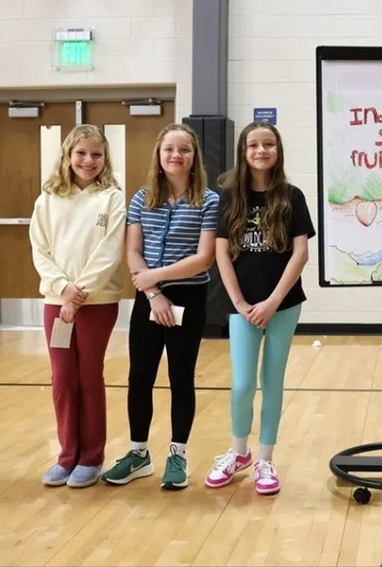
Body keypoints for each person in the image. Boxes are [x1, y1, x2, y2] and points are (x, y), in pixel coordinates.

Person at [100, 123, 219, 490]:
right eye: (169, 149)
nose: (176, 156)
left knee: (181, 379)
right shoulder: (141, 198)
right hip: (148, 298)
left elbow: (204, 258)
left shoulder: (209, 200)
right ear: (159, 153)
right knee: (140, 377)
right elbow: (133, 251)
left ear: (194, 156)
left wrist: (157, 278)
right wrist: (153, 292)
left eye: (184, 149)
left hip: (188, 299)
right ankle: (138, 454)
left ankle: (178, 455)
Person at [203, 121, 314, 496]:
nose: (261, 150)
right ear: (243, 151)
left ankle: (265, 458)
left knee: (272, 382)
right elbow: (221, 252)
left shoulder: (292, 196)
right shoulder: (228, 197)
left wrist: (273, 301)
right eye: (254, 144)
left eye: (269, 144)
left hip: (282, 305)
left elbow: (300, 252)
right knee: (242, 384)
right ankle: (239, 453)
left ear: (278, 150)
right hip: (243, 307)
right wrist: (240, 303)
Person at [29, 124, 127, 488]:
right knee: (62, 379)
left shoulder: (113, 199)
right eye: (81, 153)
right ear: (68, 156)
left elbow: (109, 252)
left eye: (97, 155)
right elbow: (40, 250)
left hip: (97, 303)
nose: (89, 161)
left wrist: (79, 292)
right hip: (56, 303)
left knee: (88, 376)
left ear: (105, 159)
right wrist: (61, 289)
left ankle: (91, 457)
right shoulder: (48, 200)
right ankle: (67, 454)